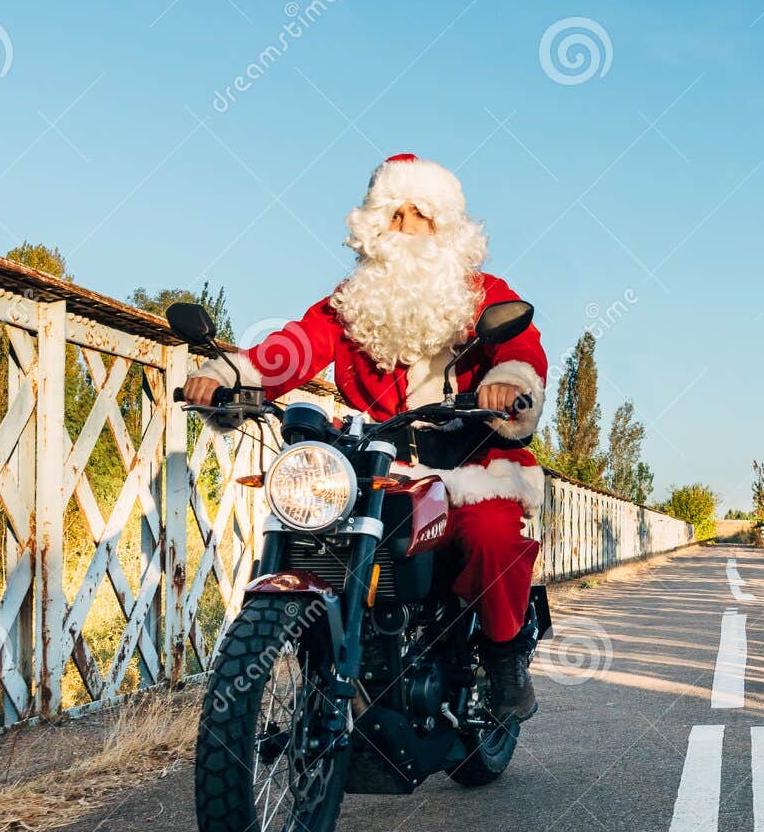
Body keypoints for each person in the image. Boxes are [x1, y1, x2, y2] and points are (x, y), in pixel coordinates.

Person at [181, 153, 548, 721]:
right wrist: (232, 377)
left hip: (471, 458)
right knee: (322, 534)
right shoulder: (351, 304)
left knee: (491, 530)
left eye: (419, 216)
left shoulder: (484, 293)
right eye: (393, 215)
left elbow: (519, 348)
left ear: (445, 227)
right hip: (380, 461)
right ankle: (346, 655)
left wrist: (507, 384)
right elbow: (296, 345)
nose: (405, 230)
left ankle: (503, 659)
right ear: (373, 225)